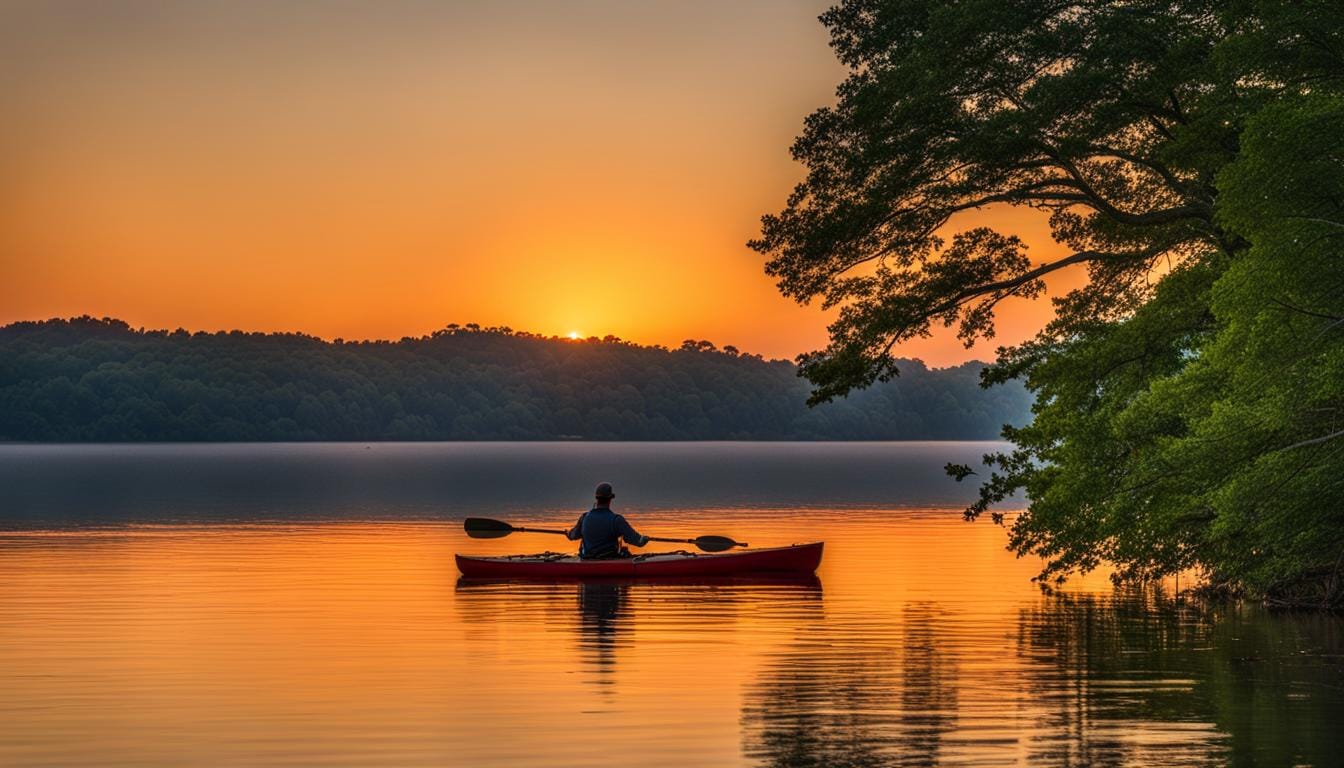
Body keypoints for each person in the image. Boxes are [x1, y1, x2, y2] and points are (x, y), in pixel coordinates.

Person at [567, 482, 649, 559]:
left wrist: (568, 533)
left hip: (587, 558)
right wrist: (643, 539)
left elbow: (573, 536)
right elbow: (638, 541)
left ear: (596, 499)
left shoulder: (584, 517)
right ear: (610, 499)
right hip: (609, 559)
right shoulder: (616, 520)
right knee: (625, 552)